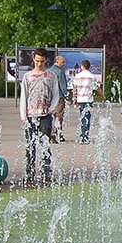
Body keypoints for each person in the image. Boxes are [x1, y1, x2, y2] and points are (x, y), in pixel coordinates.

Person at [20, 48, 61, 185]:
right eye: (37, 61)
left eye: (42, 62)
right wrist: (23, 116)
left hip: (45, 115)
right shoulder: (28, 76)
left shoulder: (51, 76)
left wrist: (52, 110)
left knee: (45, 144)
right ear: (33, 60)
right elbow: (24, 97)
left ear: (46, 61)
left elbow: (56, 94)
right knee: (30, 145)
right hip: (31, 115)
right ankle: (29, 173)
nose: (39, 64)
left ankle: (45, 172)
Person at [71, 59, 98, 144]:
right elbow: (95, 87)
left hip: (80, 99)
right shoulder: (92, 76)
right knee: (87, 117)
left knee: (82, 116)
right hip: (88, 99)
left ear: (82, 66)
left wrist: (74, 98)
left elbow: (74, 88)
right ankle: (85, 135)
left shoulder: (77, 76)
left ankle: (83, 134)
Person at [47, 54, 68, 142]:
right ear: (57, 62)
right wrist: (67, 96)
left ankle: (48, 133)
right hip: (59, 97)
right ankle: (56, 134)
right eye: (62, 62)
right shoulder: (59, 72)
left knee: (50, 116)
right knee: (59, 116)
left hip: (49, 97)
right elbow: (63, 86)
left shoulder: (48, 71)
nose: (64, 64)